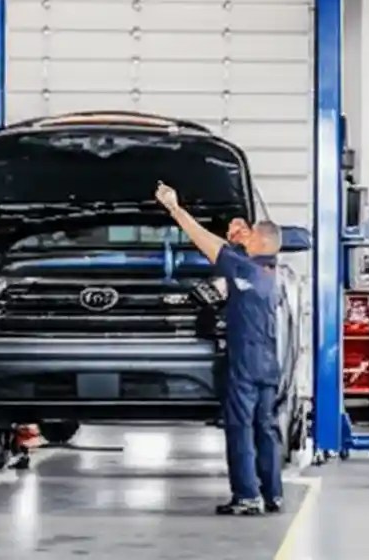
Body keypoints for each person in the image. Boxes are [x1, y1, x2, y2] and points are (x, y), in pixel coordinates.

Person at [155, 181, 284, 516]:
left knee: (239, 428)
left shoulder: (243, 268)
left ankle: (246, 496)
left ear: (261, 241)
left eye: (250, 232)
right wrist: (238, 236)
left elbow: (203, 241)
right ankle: (272, 493)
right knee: (265, 427)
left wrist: (174, 207)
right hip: (269, 364)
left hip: (245, 363)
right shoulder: (270, 273)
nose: (244, 234)